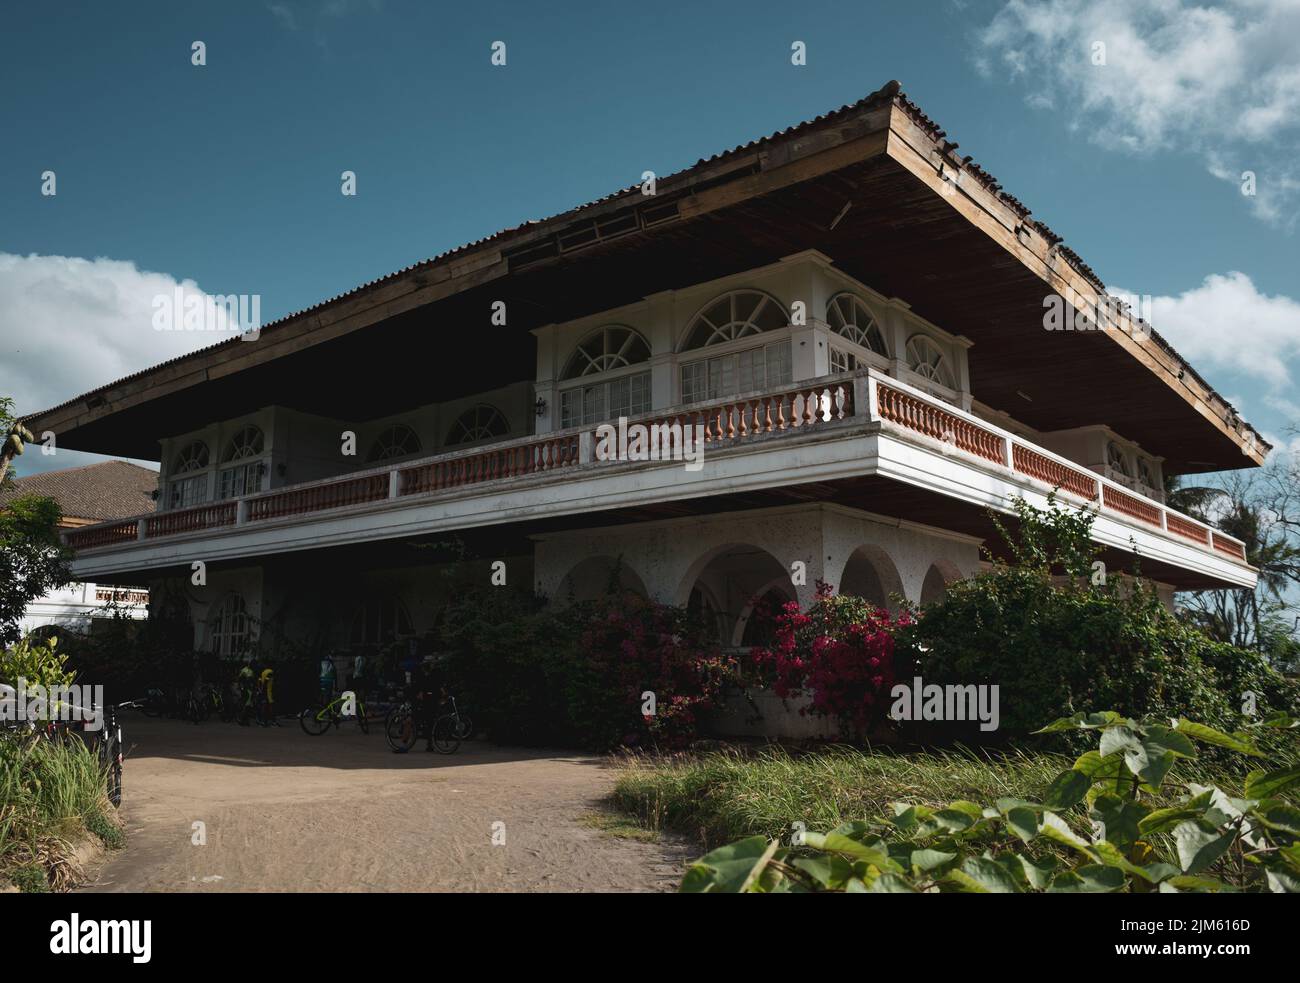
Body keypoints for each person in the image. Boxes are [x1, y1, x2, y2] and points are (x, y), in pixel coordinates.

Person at [410, 656, 443, 752]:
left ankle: (429, 742)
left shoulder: (434, 672)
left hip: (431, 697)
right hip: (424, 698)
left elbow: (437, 684)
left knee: (430, 720)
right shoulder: (421, 673)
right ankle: (426, 740)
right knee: (426, 719)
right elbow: (419, 686)